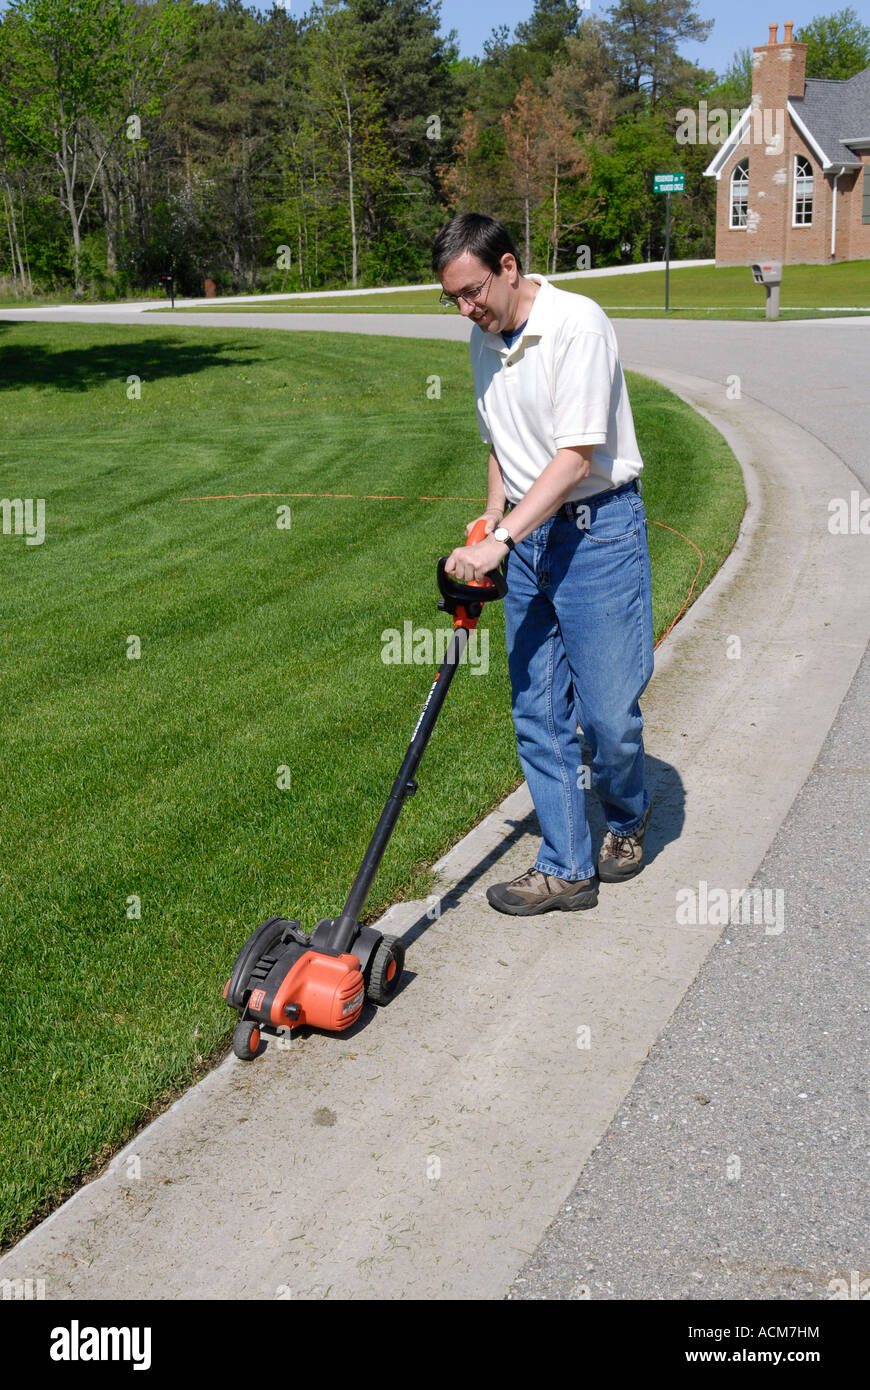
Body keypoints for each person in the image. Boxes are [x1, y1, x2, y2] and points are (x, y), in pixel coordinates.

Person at [433, 212, 654, 915]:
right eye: (453, 300)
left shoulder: (576, 324)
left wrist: (503, 538)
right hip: (528, 535)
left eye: (472, 291)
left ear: (507, 266)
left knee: (608, 715)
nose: (466, 309)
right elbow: (502, 447)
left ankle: (627, 815)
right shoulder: (481, 342)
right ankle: (565, 866)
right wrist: (491, 522)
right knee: (536, 707)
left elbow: (575, 455)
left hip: (598, 532)